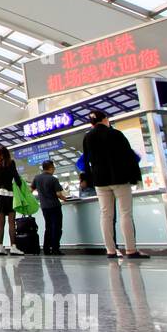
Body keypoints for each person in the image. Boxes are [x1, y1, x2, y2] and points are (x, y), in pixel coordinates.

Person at [82, 110, 146, 260]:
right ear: (105, 119)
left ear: (91, 123)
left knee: (106, 215)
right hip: (119, 179)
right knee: (125, 213)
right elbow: (129, 156)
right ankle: (130, 249)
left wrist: (89, 179)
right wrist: (135, 177)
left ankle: (110, 250)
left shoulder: (88, 137)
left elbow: (86, 160)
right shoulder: (116, 134)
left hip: (100, 182)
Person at [0, 145, 21, 256]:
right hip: (9, 195)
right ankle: (13, 247)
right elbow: (17, 178)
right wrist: (20, 187)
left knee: (0, 222)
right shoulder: (11, 163)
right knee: (11, 222)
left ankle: (0, 247)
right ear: (7, 153)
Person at [31, 160, 67, 256]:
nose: (54, 169)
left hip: (44, 207)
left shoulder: (37, 178)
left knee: (48, 227)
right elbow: (58, 194)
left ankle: (46, 249)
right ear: (51, 167)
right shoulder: (53, 179)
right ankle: (55, 249)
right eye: (54, 167)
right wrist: (65, 199)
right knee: (57, 228)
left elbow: (30, 190)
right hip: (55, 206)